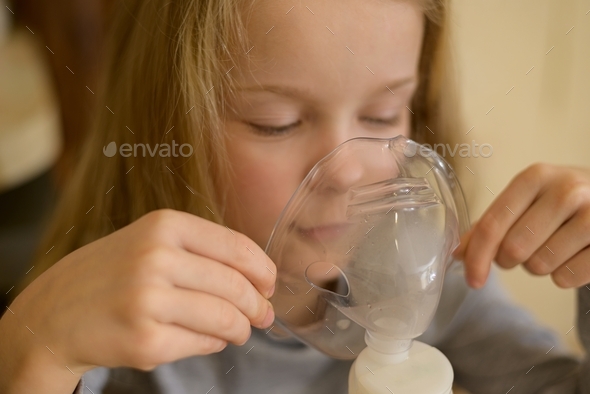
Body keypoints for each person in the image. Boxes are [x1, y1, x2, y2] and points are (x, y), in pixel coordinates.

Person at [1, 0, 589, 393]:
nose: (349, 170)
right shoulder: (121, 313)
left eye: (383, 114)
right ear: (167, 129)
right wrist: (35, 347)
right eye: (275, 122)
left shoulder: (434, 290)